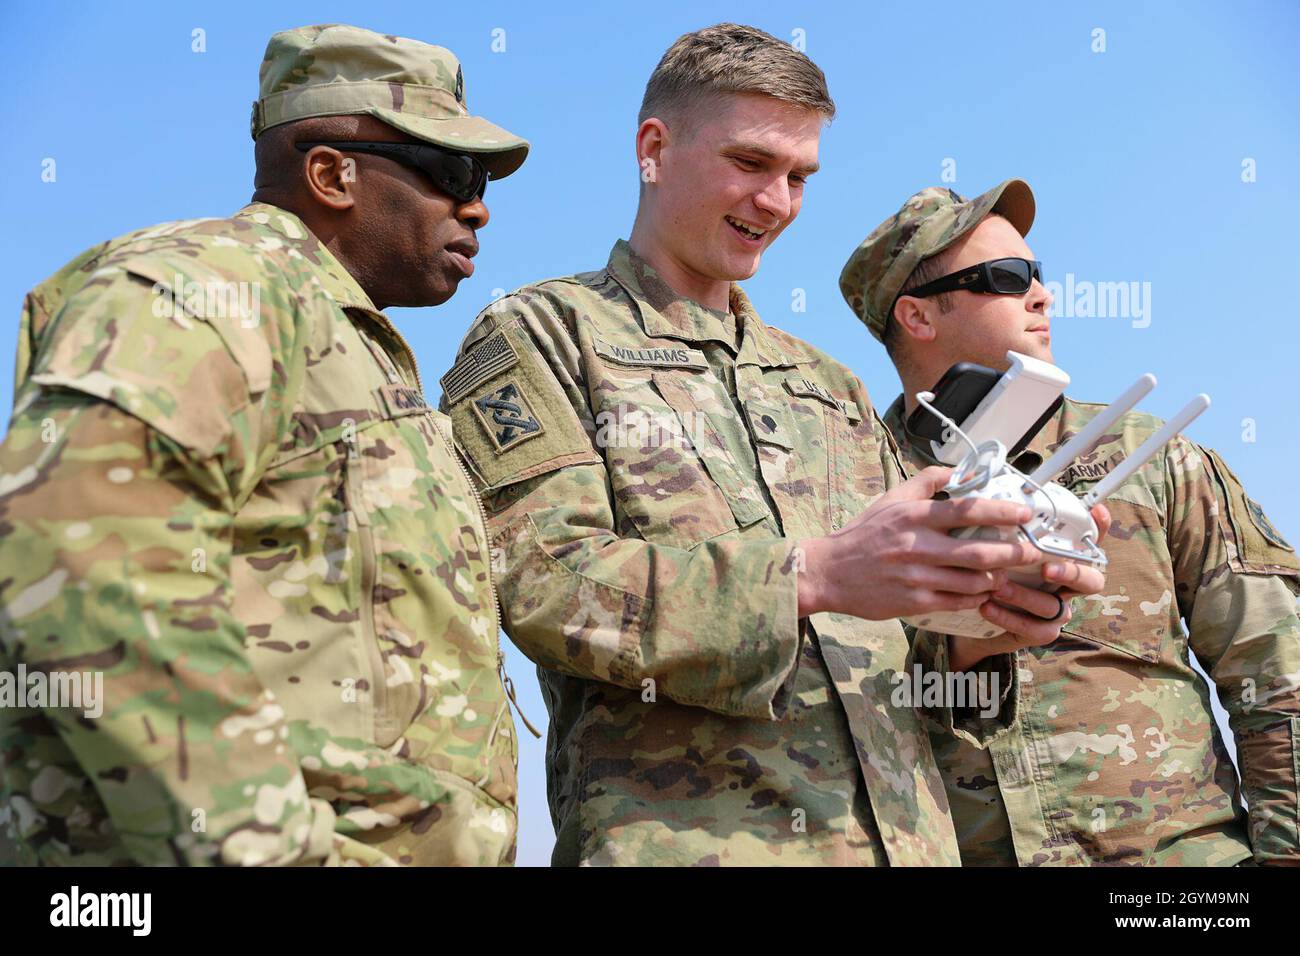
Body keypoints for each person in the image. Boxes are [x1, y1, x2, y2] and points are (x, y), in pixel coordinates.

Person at [440, 24, 1105, 866]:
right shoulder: (542, 334)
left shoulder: (828, 382)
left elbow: (914, 668)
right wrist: (812, 574)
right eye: (751, 164)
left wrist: (984, 622)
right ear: (654, 148)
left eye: (799, 177)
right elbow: (540, 583)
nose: (778, 202)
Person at [0, 23, 528, 866]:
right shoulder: (208, 287)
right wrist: (260, 845)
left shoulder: (356, 349)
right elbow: (75, 555)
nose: (477, 206)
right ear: (330, 174)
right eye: (450, 172)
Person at [839, 179, 1300, 865]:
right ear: (918, 317)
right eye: (1007, 277)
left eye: (1039, 274)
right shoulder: (853, 500)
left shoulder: (1152, 458)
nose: (1042, 294)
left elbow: (1275, 664)